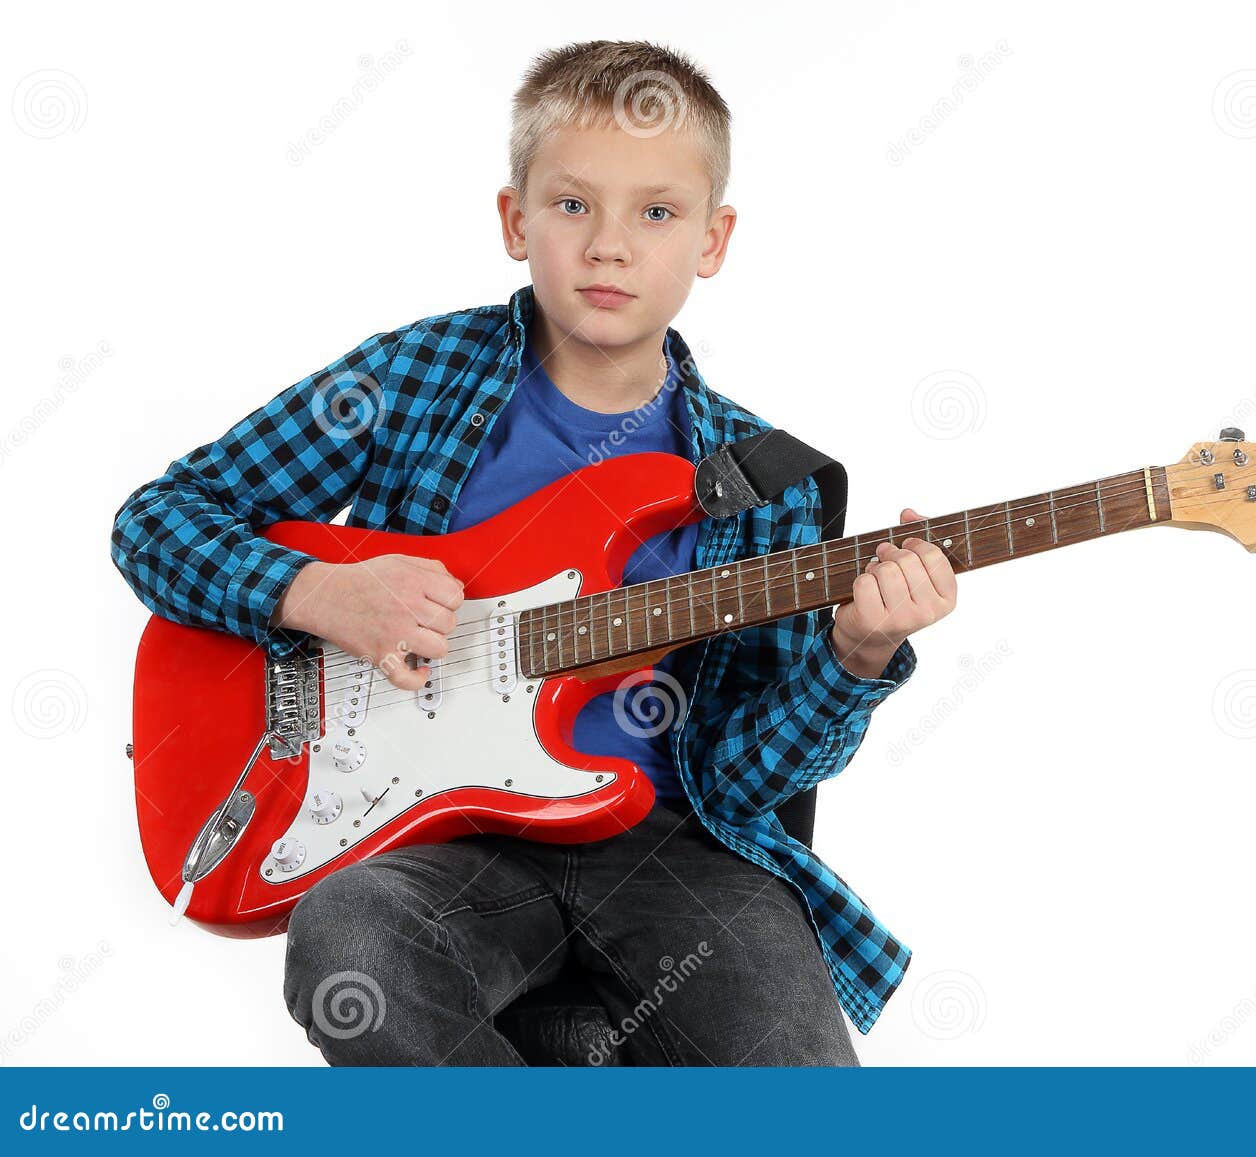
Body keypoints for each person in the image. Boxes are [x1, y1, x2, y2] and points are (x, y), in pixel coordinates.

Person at [110, 39, 957, 1066]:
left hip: (675, 852)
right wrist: (317, 591)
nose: (609, 246)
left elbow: (741, 782)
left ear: (712, 239)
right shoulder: (413, 376)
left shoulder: (766, 482)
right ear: (515, 221)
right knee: (355, 942)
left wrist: (855, 657)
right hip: (433, 841)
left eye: (656, 211)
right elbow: (158, 516)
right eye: (571, 205)